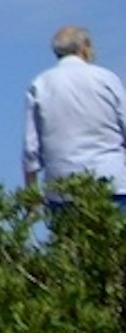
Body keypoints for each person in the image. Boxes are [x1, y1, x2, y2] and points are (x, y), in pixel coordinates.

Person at [23, 26, 126, 205]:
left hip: (61, 188)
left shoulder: (40, 84)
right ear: (84, 47)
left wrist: (32, 196)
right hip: (112, 182)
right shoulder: (106, 79)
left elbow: (31, 148)